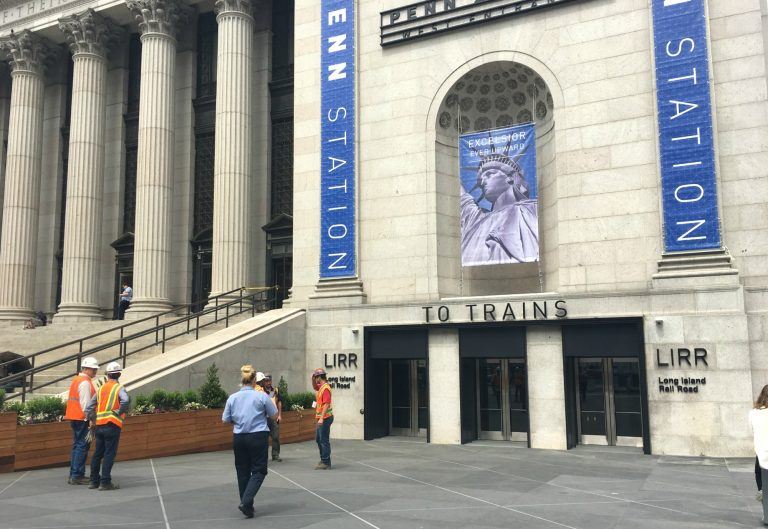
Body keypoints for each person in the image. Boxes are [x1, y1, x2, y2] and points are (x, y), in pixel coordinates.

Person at [460, 149, 539, 265]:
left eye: (489, 174)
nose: (482, 182)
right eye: (481, 179)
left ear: (510, 178)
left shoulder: (532, 209)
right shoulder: (475, 220)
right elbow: (460, 196)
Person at [222, 366, 277, 519]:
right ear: (254, 381)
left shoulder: (233, 398)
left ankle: (247, 505)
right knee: (259, 470)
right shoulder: (261, 396)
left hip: (239, 437)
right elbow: (274, 415)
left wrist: (238, 420)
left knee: (242, 471)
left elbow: (225, 419)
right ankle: (246, 502)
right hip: (258, 436)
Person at [85, 362, 130, 491]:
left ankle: (93, 481)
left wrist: (92, 420)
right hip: (112, 425)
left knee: (97, 454)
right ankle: (105, 482)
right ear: (119, 374)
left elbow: (89, 407)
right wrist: (119, 411)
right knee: (109, 454)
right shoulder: (118, 388)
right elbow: (126, 400)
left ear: (107, 375)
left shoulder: (101, 389)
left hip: (99, 426)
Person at [64, 357, 99, 485]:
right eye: (94, 369)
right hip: (82, 418)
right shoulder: (85, 383)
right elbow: (86, 404)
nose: (95, 372)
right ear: (87, 369)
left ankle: (74, 474)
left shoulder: (77, 380)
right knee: (82, 446)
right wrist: (91, 419)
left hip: (76, 417)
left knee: (77, 445)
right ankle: (77, 475)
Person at [749, 385, 768, 524]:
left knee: (762, 487)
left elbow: (752, 429)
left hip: (761, 454)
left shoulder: (753, 413)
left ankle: (766, 515)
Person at [311, 368, 333, 470]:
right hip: (322, 418)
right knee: (318, 439)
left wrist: (321, 418)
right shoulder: (321, 387)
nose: (315, 379)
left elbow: (327, 404)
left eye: (316, 377)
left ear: (320, 377)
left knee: (323, 440)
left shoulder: (325, 388)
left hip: (325, 418)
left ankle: (326, 462)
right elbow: (315, 387)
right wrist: (312, 379)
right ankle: (323, 459)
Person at [263, 374, 283, 462]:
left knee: (276, 436)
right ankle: (263, 456)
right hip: (264, 418)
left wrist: (279, 415)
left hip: (274, 417)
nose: (268, 383)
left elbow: (279, 402)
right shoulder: (261, 391)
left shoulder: (275, 390)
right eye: (266, 381)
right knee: (264, 438)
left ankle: (275, 455)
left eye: (269, 381)